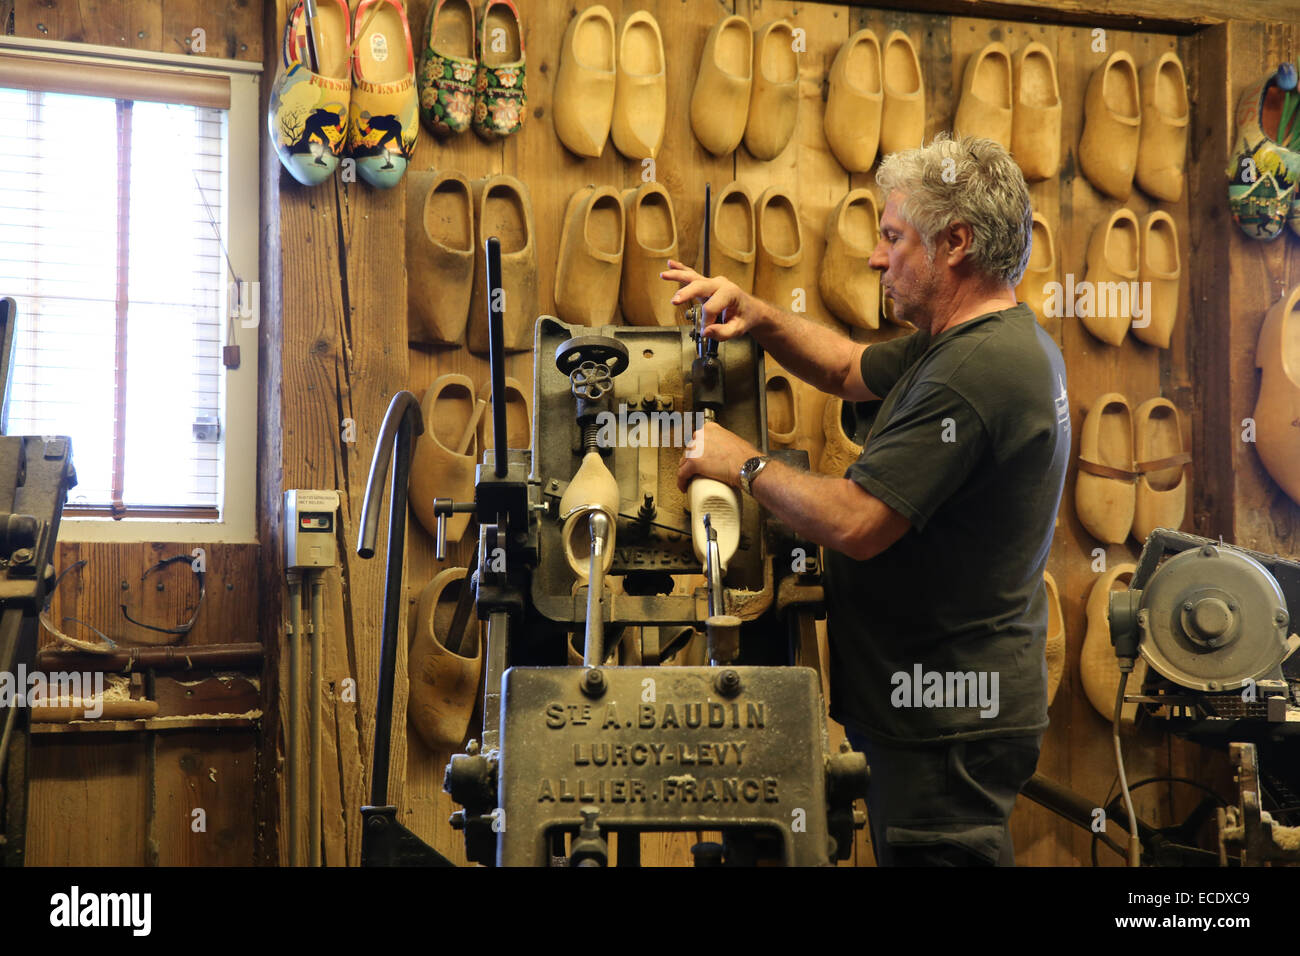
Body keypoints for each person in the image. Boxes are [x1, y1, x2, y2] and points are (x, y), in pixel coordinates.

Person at [662, 133, 1070, 866]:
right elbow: (850, 367)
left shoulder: (973, 372)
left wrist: (741, 464)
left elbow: (857, 523)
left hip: (943, 719)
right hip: (941, 703)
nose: (877, 258)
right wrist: (758, 314)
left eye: (892, 237)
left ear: (955, 242)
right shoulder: (979, 340)